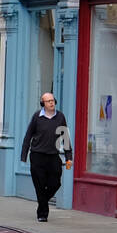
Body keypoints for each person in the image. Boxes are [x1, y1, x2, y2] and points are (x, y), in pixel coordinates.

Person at [21, 92, 74, 222]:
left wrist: (68, 157)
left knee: (55, 183)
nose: (51, 103)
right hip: (37, 156)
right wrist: (24, 155)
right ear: (42, 104)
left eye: (53, 100)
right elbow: (28, 136)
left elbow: (65, 138)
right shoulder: (37, 117)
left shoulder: (60, 117)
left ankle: (42, 200)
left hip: (53, 156)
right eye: (48, 101)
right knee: (39, 185)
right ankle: (42, 214)